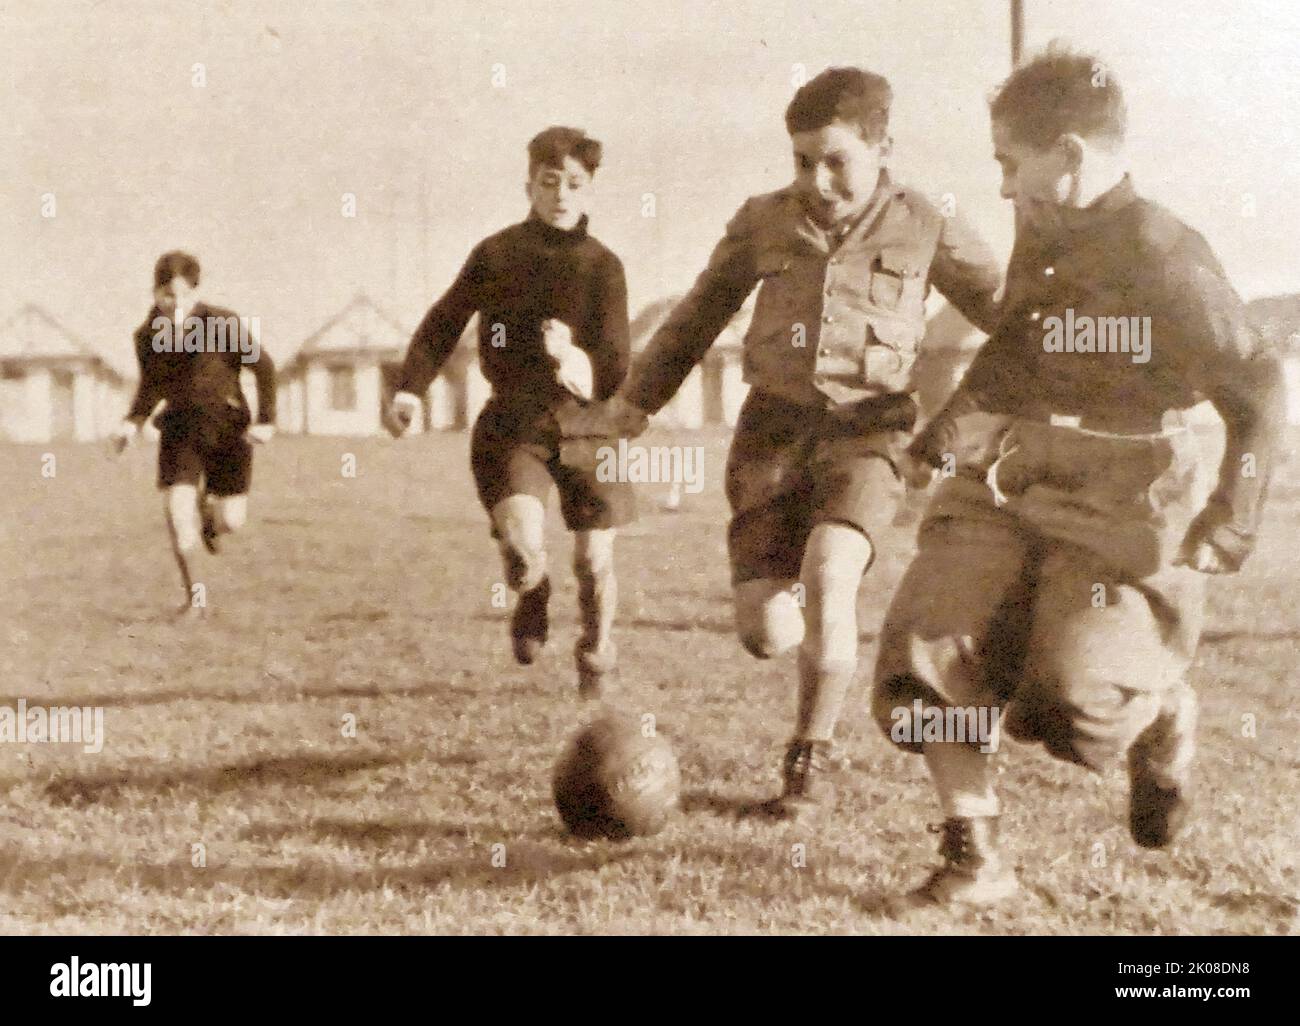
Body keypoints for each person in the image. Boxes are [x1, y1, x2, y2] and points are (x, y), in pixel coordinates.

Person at [873, 48, 1285, 907]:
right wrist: (939, 447)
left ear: (1066, 154)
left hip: (1125, 491)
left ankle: (1162, 711)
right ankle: (973, 853)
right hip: (1007, 471)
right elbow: (1015, 351)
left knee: (1069, 705)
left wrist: (1232, 517)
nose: (1000, 187)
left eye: (1007, 164)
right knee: (923, 649)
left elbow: (1258, 386)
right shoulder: (1043, 231)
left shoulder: (1167, 255)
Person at [565, 67, 1002, 819]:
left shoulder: (926, 222)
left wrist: (989, 414)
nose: (817, 180)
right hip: (771, 438)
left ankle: (806, 761)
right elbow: (697, 315)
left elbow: (1013, 321)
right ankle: (809, 633)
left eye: (837, 162)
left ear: (881, 147)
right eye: (802, 161)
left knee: (831, 573)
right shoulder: (762, 220)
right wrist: (633, 404)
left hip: (870, 432)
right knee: (767, 632)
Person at [384, 126, 634, 700]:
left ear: (590, 189)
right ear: (529, 185)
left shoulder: (604, 267)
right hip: (515, 423)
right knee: (523, 545)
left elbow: (619, 363)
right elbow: (445, 319)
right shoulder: (497, 254)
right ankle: (533, 588)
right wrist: (409, 389)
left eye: (575, 184)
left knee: (595, 560)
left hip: (589, 425)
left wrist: (577, 358)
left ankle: (596, 655)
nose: (562, 195)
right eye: (550, 183)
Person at [111, 251, 276, 617]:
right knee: (176, 512)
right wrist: (132, 421)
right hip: (180, 432)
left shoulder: (222, 322)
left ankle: (210, 517)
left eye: (184, 295)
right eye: (168, 295)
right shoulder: (146, 335)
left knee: (231, 521)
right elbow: (151, 385)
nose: (176, 304)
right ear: (155, 293)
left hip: (229, 429)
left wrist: (266, 420)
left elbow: (264, 367)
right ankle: (195, 601)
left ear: (196, 292)